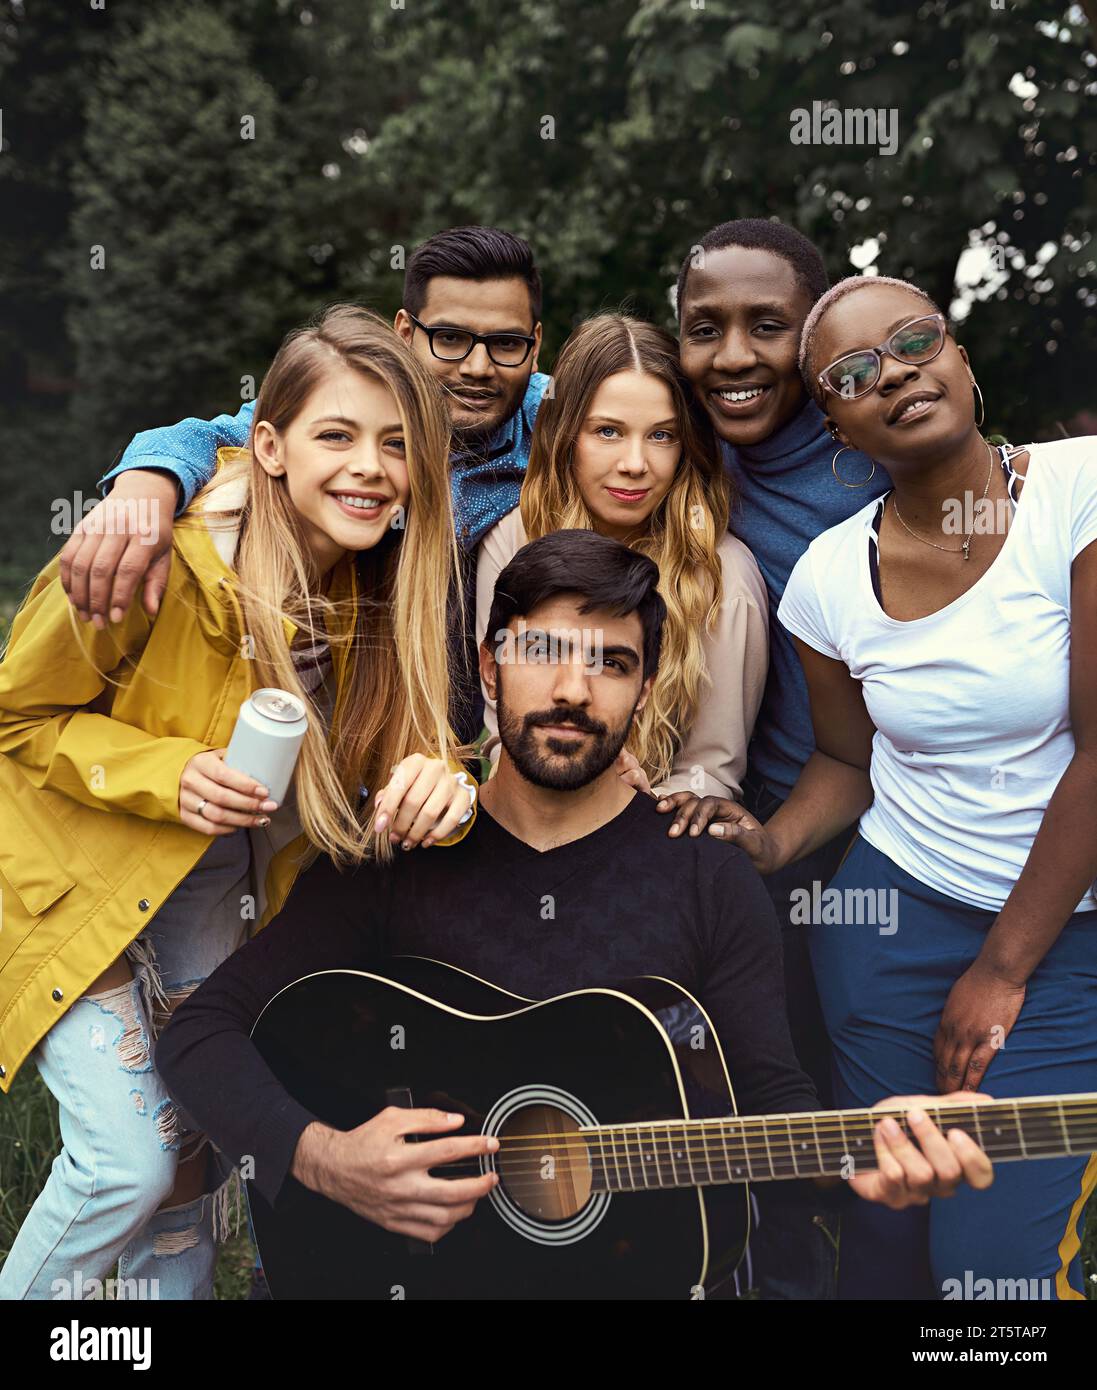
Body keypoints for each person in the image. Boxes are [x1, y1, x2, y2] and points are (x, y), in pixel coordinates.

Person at [154, 528, 993, 1287]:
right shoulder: (396, 858)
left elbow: (771, 1103)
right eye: (543, 652)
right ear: (488, 667)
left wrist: (854, 1151)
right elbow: (197, 1034)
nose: (572, 690)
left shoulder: (705, 875)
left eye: (611, 664)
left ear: (645, 690)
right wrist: (325, 1160)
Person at [0, 306, 476, 1300]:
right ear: (267, 445)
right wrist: (161, 772)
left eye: (396, 444)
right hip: (73, 886)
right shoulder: (150, 559)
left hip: (215, 905)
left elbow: (423, 755)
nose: (369, 468)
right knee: (123, 1165)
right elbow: (16, 721)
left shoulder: (382, 595)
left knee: (191, 1163)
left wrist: (450, 787)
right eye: (335, 435)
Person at [717, 273, 1097, 1299]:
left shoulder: (1079, 490)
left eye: (913, 341)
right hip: (886, 928)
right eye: (850, 373)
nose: (893, 373)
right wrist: (765, 844)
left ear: (959, 356)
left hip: (1058, 943)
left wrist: (1002, 969)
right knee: (883, 1245)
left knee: (991, 1261)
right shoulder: (828, 577)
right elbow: (843, 763)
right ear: (833, 422)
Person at [58, 226, 551, 741]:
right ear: (405, 333)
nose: (477, 367)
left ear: (535, 345)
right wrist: (147, 487)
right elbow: (218, 436)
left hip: (467, 700)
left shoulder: (560, 421)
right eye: (449, 338)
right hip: (342, 658)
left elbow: (633, 427)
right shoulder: (351, 396)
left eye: (506, 344)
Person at [663, 217, 890, 1298]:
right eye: (704, 328)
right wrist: (162, 464)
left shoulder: (879, 458)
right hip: (752, 820)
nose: (734, 356)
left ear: (812, 338)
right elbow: (290, 409)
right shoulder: (665, 439)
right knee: (758, 1107)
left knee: (873, 1114)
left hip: (889, 827)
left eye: (767, 326)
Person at [476, 313, 767, 799]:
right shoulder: (514, 538)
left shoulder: (723, 575)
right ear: (567, 435)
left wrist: (635, 803)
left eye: (661, 435)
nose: (635, 465)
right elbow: (496, 728)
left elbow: (710, 773)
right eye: (608, 432)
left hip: (645, 830)